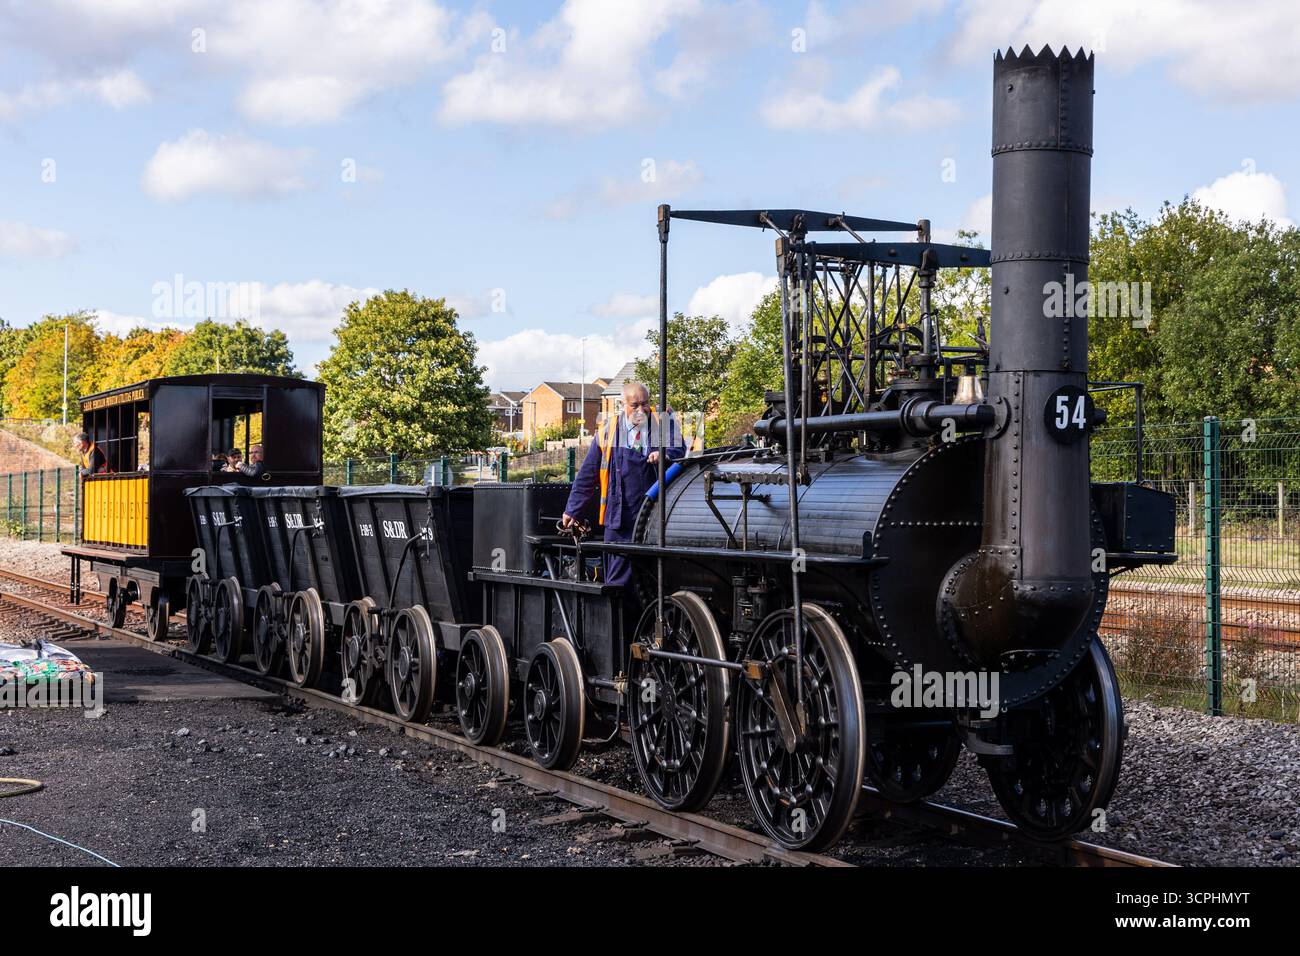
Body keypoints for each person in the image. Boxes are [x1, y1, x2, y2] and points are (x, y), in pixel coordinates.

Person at [561, 381, 684, 586]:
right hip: (619, 519)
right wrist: (572, 510)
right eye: (635, 405)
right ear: (623, 405)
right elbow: (587, 475)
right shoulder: (607, 432)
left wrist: (663, 454)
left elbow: (679, 450)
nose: (641, 409)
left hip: (655, 516)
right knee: (618, 581)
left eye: (645, 403)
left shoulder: (663, 423)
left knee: (652, 580)